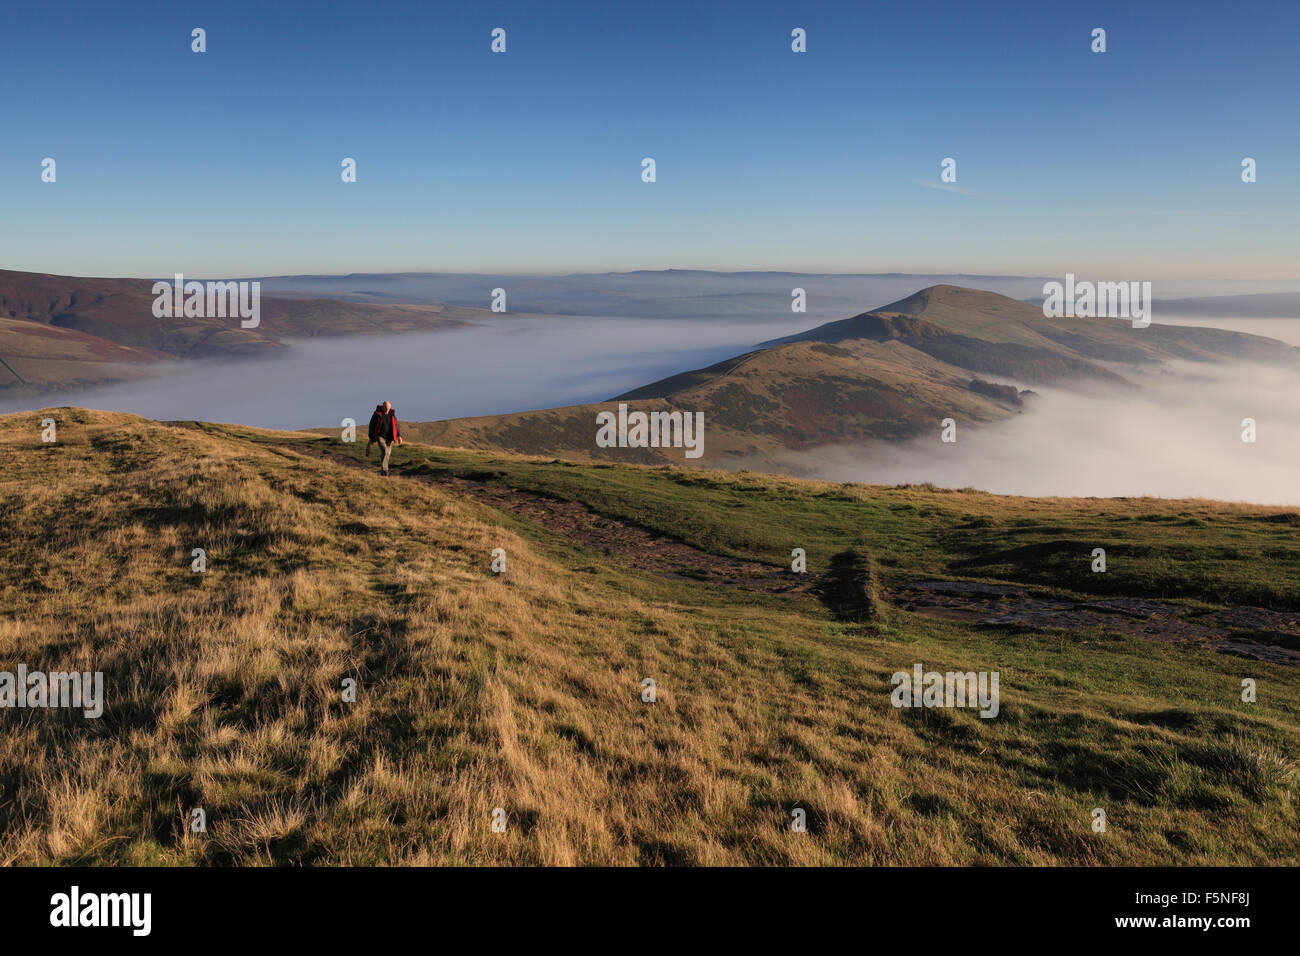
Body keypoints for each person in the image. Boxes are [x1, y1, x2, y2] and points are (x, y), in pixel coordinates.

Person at [367, 400, 403, 476]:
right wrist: (371, 437)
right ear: (383, 406)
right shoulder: (377, 414)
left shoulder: (392, 415)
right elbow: (371, 426)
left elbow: (396, 426)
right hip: (380, 436)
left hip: (389, 438)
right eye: (386, 408)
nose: (387, 410)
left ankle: (384, 470)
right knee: (385, 451)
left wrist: (399, 436)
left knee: (388, 454)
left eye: (388, 408)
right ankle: (384, 470)